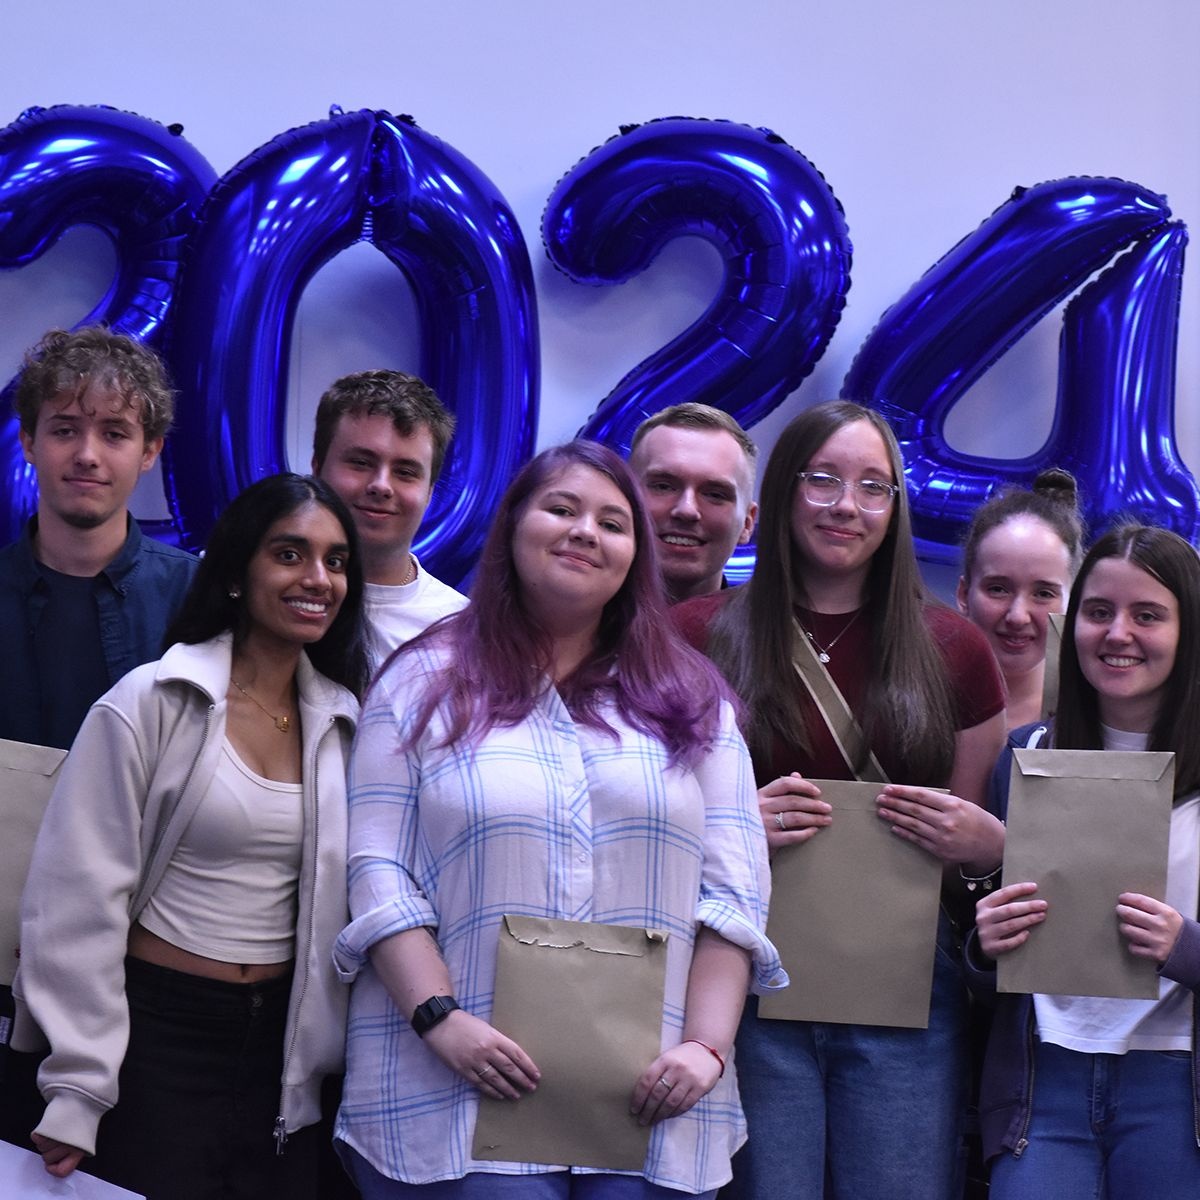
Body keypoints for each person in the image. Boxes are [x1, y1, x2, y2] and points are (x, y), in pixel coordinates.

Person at [333, 440, 782, 1198]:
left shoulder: (693, 701)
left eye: (612, 522)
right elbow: (378, 871)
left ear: (633, 555)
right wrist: (442, 1019)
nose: (584, 532)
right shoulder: (418, 679)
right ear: (512, 526)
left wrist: (707, 1048)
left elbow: (734, 892)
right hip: (452, 1094)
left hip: (654, 1101)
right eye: (562, 509)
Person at [672, 400, 1007, 1200]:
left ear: (895, 508)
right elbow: (636, 826)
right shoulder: (695, 635)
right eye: (822, 479)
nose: (845, 505)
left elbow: (976, 877)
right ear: (783, 492)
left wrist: (986, 844)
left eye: (872, 487)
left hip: (908, 987)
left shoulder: (955, 649)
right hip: (742, 979)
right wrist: (723, 828)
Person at [13, 473, 369, 1200]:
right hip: (151, 1038)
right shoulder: (150, 701)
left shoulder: (345, 721)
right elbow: (76, 901)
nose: (318, 578)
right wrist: (78, 1087)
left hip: (279, 1055)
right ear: (238, 573)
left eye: (336, 561)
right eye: (291, 554)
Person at [971, 524, 1200, 1198]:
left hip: (1176, 1088)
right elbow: (989, 972)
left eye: (1148, 615)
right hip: (1042, 1080)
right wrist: (986, 949)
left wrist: (1183, 946)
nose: (1117, 633)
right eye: (1098, 612)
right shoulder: (1025, 754)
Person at [0, 324, 197, 750]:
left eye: (114, 433)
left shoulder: (198, 597)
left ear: (149, 452)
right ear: (29, 443)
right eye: (65, 430)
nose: (88, 456)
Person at [312, 369, 466, 661]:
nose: (381, 486)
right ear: (317, 468)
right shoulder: (259, 597)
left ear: (430, 491)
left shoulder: (465, 636)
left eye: (405, 472)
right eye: (360, 462)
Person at [957, 469, 1084, 729]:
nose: (1017, 616)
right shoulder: (916, 701)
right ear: (963, 594)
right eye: (998, 589)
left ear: (1074, 602)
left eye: (1043, 594)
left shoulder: (1093, 718)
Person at [628, 404, 758, 603]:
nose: (687, 509)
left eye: (715, 495)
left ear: (747, 524)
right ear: (624, 498)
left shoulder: (779, 634)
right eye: (663, 486)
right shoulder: (566, 628)